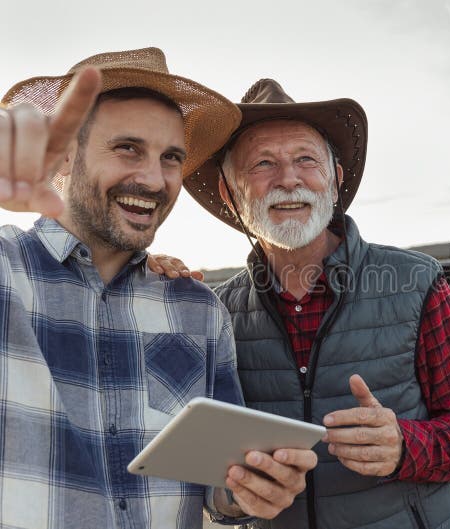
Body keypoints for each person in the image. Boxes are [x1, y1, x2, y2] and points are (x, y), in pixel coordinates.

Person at [0, 49, 316, 529]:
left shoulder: (198, 309)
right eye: (127, 148)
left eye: (171, 158)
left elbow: (220, 485)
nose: (152, 179)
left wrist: (253, 491)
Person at [177, 78, 450, 528]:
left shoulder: (416, 282)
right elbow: (206, 475)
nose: (288, 179)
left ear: (335, 178)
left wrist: (407, 446)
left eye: (306, 159)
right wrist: (235, 498)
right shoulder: (214, 312)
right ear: (230, 193)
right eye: (263, 164)